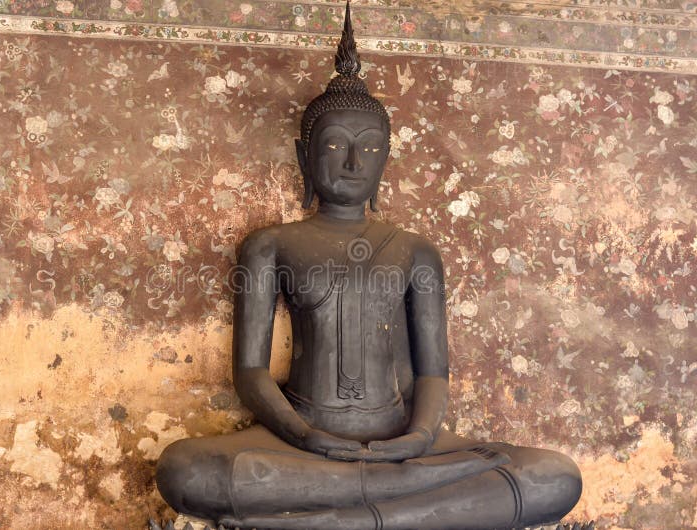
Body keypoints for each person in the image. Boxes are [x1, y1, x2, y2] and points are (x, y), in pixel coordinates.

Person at [156, 3, 582, 528]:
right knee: (183, 469)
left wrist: (418, 440)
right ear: (303, 155)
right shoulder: (268, 244)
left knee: (554, 475)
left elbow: (433, 374)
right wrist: (306, 435)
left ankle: (331, 517)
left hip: (404, 443)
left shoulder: (415, 250)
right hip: (304, 443)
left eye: (370, 148)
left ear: (385, 161)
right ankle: (402, 503)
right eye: (335, 144)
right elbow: (250, 373)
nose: (354, 163)